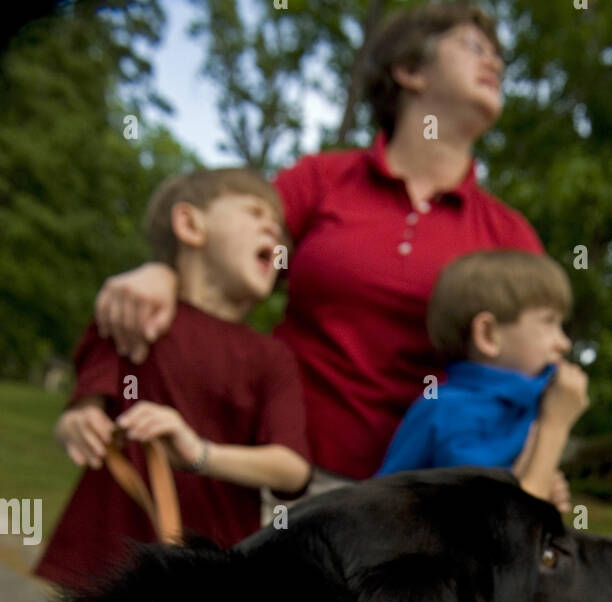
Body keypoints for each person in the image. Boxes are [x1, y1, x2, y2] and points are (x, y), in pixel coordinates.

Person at [91, 4, 550, 487]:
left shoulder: (508, 237)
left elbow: (534, 376)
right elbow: (227, 255)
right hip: (270, 473)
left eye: (500, 56)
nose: (495, 64)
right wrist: (163, 272)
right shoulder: (322, 181)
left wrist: (543, 458)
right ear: (410, 70)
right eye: (475, 48)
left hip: (415, 505)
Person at [39, 168, 311, 591]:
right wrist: (77, 423)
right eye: (256, 212)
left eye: (278, 226)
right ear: (189, 225)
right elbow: (80, 410)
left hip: (209, 575)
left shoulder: (272, 358)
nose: (273, 228)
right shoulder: (131, 318)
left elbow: (292, 470)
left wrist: (200, 453)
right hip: (104, 568)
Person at [376, 249, 589, 505]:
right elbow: (512, 521)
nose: (563, 343)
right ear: (488, 335)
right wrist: (554, 426)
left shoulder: (530, 408)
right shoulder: (444, 411)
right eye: (549, 322)